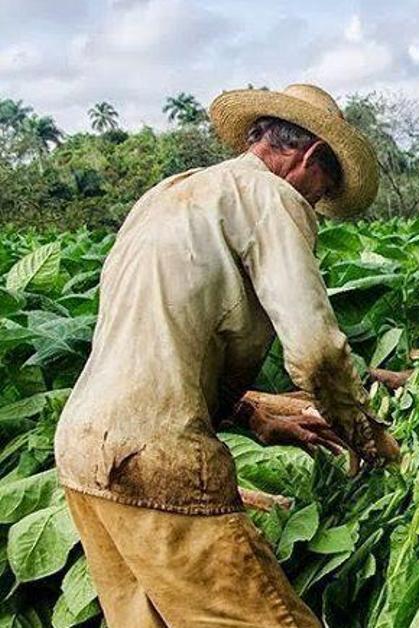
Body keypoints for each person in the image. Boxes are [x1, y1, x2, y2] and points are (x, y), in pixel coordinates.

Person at [54, 83, 400, 627]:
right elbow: (315, 352)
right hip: (156, 458)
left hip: (82, 453)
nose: (312, 206)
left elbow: (154, 337)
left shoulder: (169, 194)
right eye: (320, 191)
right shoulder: (272, 197)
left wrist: (251, 414)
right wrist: (364, 433)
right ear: (310, 159)